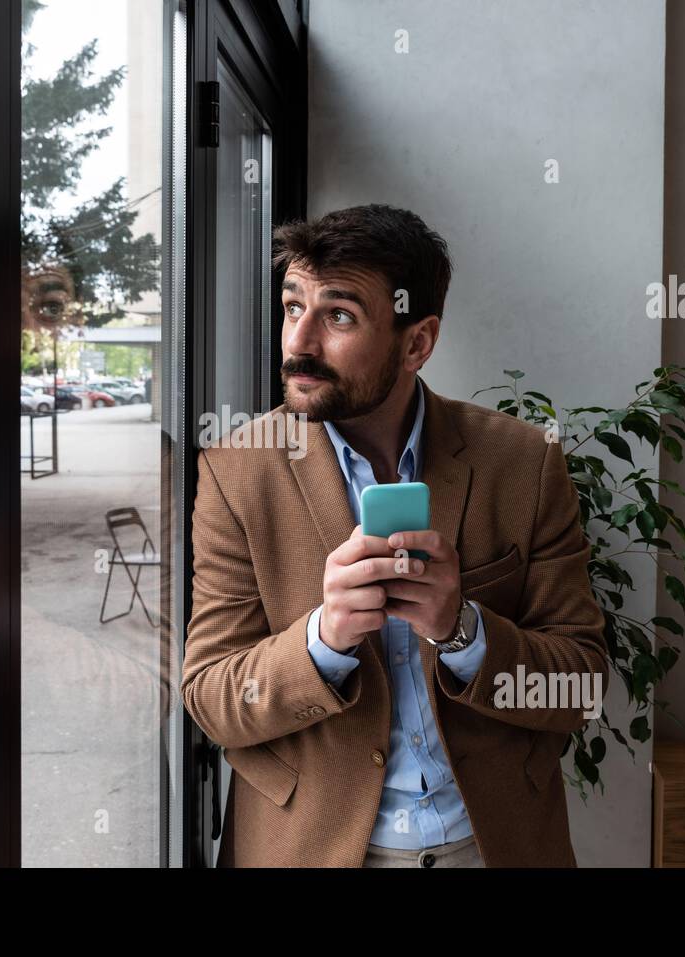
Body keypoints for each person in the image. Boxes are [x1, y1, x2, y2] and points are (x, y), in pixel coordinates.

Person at [182, 204, 608, 867]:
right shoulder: (237, 474)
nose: (299, 341)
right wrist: (323, 640)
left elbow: (581, 684)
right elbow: (213, 697)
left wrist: (463, 629)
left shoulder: (524, 465)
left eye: (339, 316)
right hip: (313, 850)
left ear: (417, 342)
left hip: (491, 845)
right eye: (294, 306)